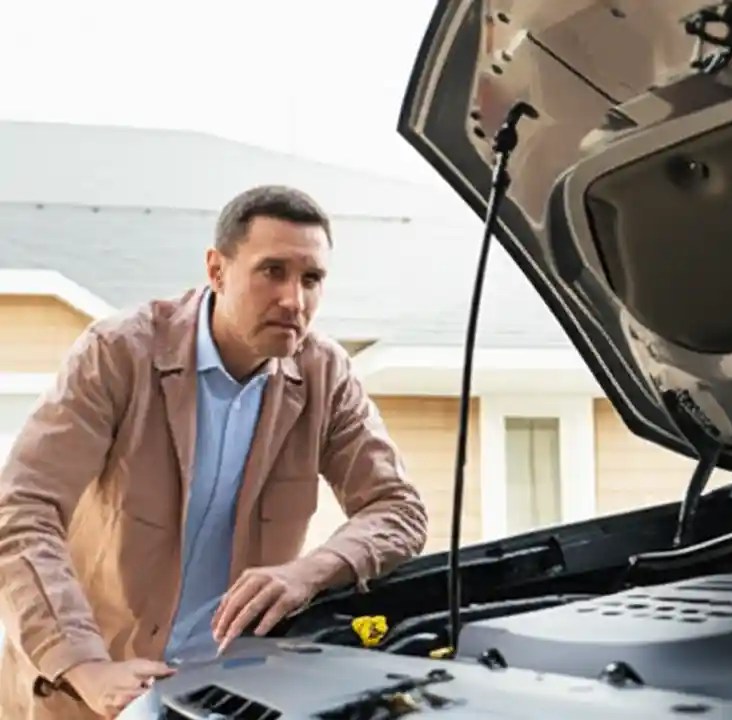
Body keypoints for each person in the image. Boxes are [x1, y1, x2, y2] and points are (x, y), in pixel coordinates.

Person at [0, 185, 429, 718]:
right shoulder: (117, 354)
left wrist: (310, 571)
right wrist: (85, 666)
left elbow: (399, 510)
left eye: (311, 279)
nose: (294, 300)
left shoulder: (325, 374)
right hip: (91, 692)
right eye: (272, 271)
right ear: (217, 270)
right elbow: (21, 511)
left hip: (228, 695)